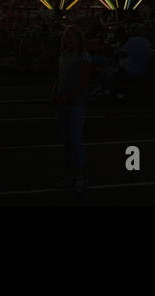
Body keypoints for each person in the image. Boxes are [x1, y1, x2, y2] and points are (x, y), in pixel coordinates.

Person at [53, 24, 90, 192]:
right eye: (66, 37)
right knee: (66, 140)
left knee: (75, 140)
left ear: (78, 40)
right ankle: (70, 174)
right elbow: (60, 77)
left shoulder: (83, 57)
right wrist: (54, 92)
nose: (68, 40)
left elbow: (83, 82)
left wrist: (70, 97)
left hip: (75, 103)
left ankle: (80, 176)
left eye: (71, 37)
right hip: (63, 101)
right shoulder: (63, 55)